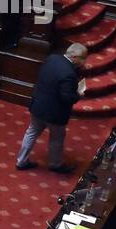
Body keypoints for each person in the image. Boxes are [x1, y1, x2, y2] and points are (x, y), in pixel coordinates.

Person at [16, 43, 87, 174]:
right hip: (54, 113)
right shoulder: (69, 74)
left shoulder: (52, 58)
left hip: (38, 106)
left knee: (31, 133)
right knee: (56, 138)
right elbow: (66, 97)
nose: (84, 62)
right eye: (83, 58)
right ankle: (55, 164)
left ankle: (21, 161)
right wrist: (78, 95)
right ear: (75, 57)